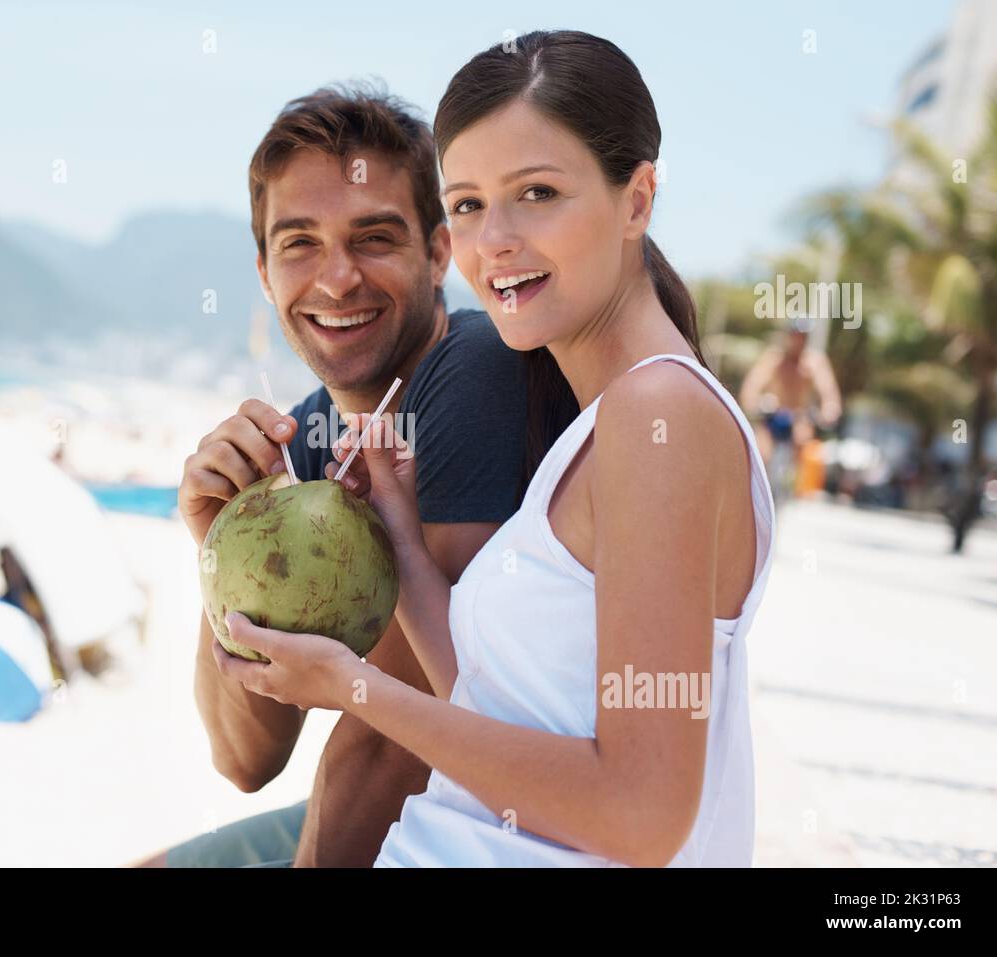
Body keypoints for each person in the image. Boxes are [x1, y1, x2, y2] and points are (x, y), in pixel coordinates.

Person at [215, 30, 777, 867]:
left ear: (637, 199)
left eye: (538, 192)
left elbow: (641, 813)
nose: (495, 241)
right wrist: (402, 538)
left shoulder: (660, 414)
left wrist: (351, 686)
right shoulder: (607, 424)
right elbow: (495, 710)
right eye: (470, 203)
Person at [146, 84, 577, 867]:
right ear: (265, 269)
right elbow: (245, 758)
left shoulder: (475, 374)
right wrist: (217, 551)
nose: (336, 278)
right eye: (299, 243)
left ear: (440, 252)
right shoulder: (309, 434)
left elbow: (393, 748)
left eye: (373, 237)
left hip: (489, 821)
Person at [739, 316, 842, 470]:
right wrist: (756, 404)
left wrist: (829, 412)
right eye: (795, 336)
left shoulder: (814, 362)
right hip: (772, 416)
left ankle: (795, 487)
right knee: (761, 452)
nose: (798, 341)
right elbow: (750, 389)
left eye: (803, 337)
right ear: (787, 336)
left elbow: (829, 394)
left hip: (799, 418)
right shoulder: (773, 359)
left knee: (804, 444)